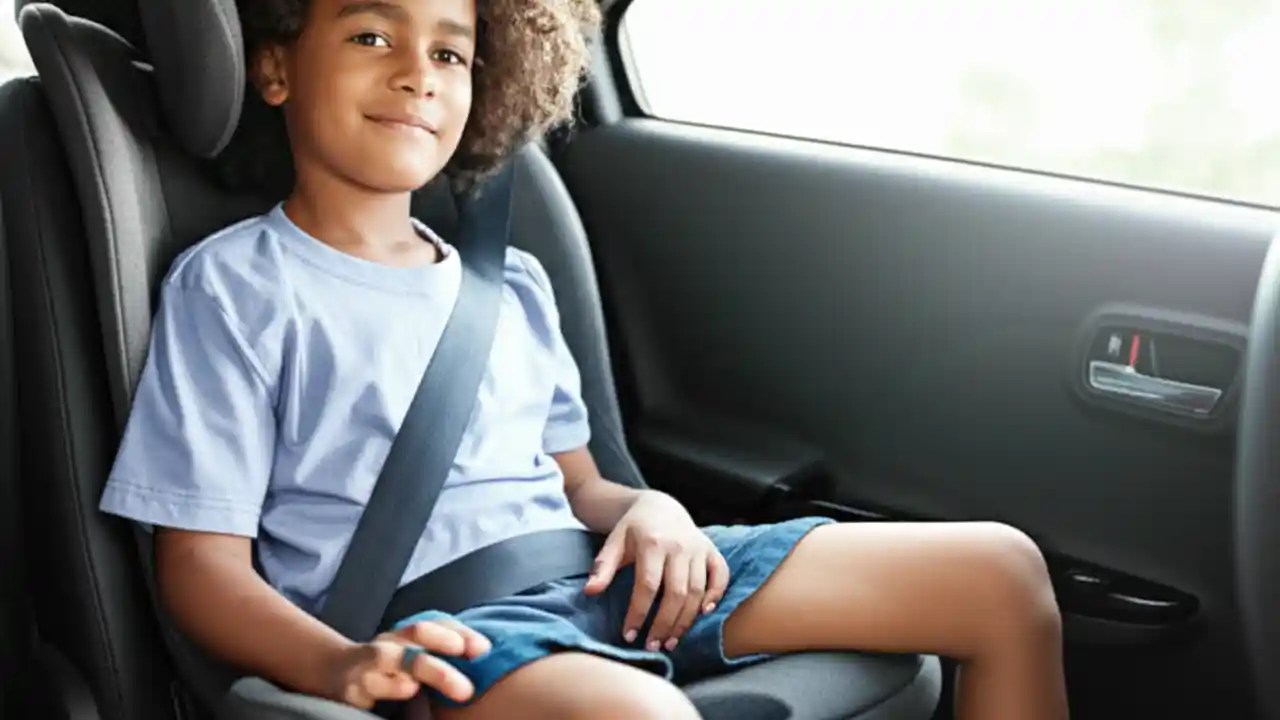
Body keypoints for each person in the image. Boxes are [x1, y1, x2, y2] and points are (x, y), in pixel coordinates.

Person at [98, 0, 1071, 718]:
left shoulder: (508, 282)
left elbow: (579, 488)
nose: (415, 72)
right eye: (370, 35)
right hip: (446, 626)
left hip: (607, 586)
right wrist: (337, 667)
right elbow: (199, 568)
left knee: (997, 573)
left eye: (450, 50)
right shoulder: (234, 286)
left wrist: (651, 507)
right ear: (274, 68)